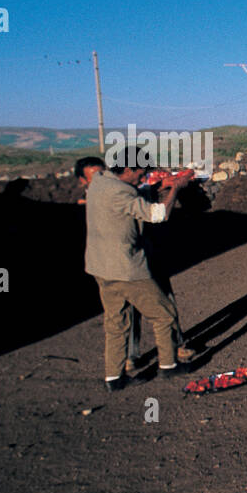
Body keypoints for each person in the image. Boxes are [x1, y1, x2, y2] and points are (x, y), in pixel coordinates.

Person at [84, 158, 192, 391]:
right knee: (164, 314)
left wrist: (157, 187)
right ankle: (168, 365)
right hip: (126, 269)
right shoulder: (120, 193)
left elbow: (131, 196)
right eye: (140, 174)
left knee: (117, 322)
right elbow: (158, 214)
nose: (143, 178)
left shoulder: (99, 183)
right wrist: (175, 188)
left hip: (100, 268)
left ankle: (114, 377)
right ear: (126, 170)